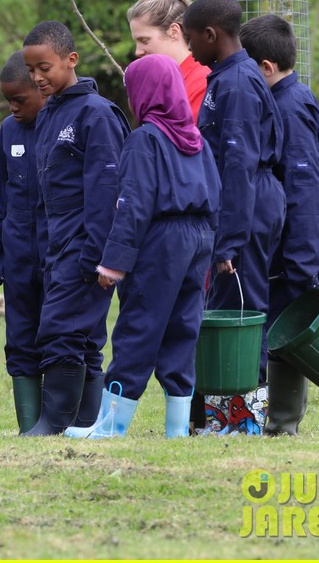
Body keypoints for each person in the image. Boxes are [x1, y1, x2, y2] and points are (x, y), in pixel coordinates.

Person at [75, 54, 220, 438]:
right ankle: (177, 429)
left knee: (138, 326)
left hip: (161, 242)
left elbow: (133, 204)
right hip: (199, 240)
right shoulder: (196, 139)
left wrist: (114, 263)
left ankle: (110, 426)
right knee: (182, 329)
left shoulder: (145, 139)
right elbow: (217, 194)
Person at [20, 21, 130, 437]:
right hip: (55, 244)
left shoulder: (96, 114)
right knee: (82, 335)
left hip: (84, 247)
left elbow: (107, 190)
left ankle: (55, 421)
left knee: (62, 329)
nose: (37, 78)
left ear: (71, 60)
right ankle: (84, 422)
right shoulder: (49, 112)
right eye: (32, 70)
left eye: (44, 67)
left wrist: (97, 254)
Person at [183, 0, 284, 435]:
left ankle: (240, 422)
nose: (187, 48)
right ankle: (222, 417)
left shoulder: (239, 84)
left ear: (210, 34)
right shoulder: (224, 77)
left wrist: (228, 241)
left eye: (190, 39)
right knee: (227, 308)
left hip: (248, 206)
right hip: (240, 204)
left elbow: (239, 166)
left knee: (241, 311)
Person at [239, 13, 319, 437]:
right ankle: (274, 421)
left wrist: (302, 265)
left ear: (266, 69)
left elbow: (306, 194)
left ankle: (282, 424)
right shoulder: (288, 100)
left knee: (284, 331)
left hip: (293, 253)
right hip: (285, 250)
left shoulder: (290, 110)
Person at [0, 51, 48, 434]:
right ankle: (28, 426)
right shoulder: (9, 130)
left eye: (19, 100)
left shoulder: (63, 124)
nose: (12, 107)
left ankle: (65, 422)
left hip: (58, 254)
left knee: (60, 337)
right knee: (20, 340)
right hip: (19, 254)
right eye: (8, 100)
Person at [127, 0, 211, 119]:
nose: (138, 52)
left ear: (174, 31)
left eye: (144, 41)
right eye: (136, 41)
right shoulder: (156, 82)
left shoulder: (202, 82)